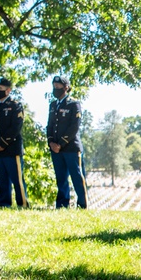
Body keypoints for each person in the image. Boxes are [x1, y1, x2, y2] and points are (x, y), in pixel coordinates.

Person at [0, 76, 28, 208]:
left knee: (17, 179)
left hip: (12, 148)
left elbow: (15, 127)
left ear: (8, 90)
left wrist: (2, 143)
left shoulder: (15, 105)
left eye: (0, 88)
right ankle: (4, 204)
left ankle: (23, 203)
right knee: (2, 179)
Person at [46, 75, 87, 209]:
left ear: (66, 88)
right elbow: (50, 125)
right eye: (54, 86)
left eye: (58, 86)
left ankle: (82, 204)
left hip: (71, 148)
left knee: (77, 177)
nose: (55, 88)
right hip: (56, 149)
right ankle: (62, 205)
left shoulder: (73, 104)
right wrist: (51, 142)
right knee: (61, 178)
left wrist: (61, 144)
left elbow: (74, 126)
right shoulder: (53, 105)